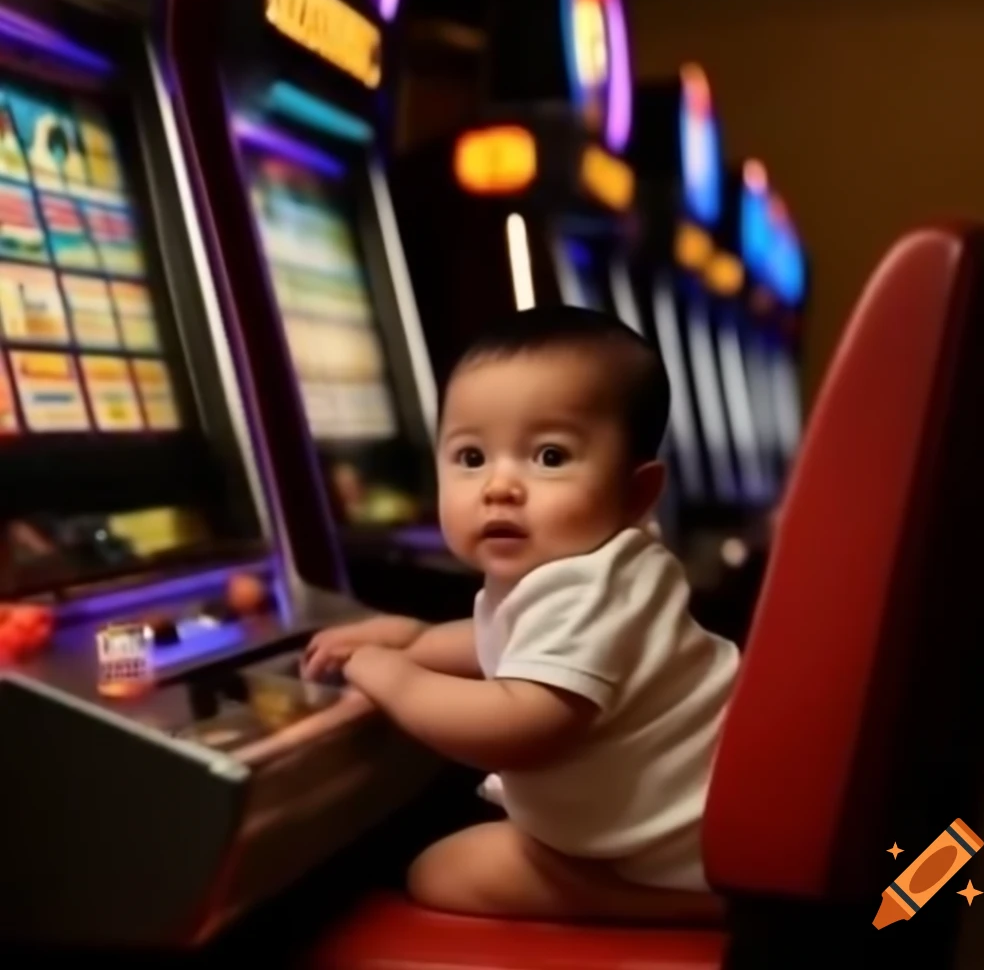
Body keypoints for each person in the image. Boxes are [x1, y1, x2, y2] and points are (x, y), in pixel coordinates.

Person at [303, 306, 738, 923]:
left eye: (550, 457)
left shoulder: (587, 589)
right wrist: (417, 640)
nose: (499, 486)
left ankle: (673, 908)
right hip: (690, 810)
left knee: (443, 871)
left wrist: (394, 677)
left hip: (679, 841)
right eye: (471, 458)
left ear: (636, 492)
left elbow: (525, 723)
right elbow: (511, 644)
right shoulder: (602, 568)